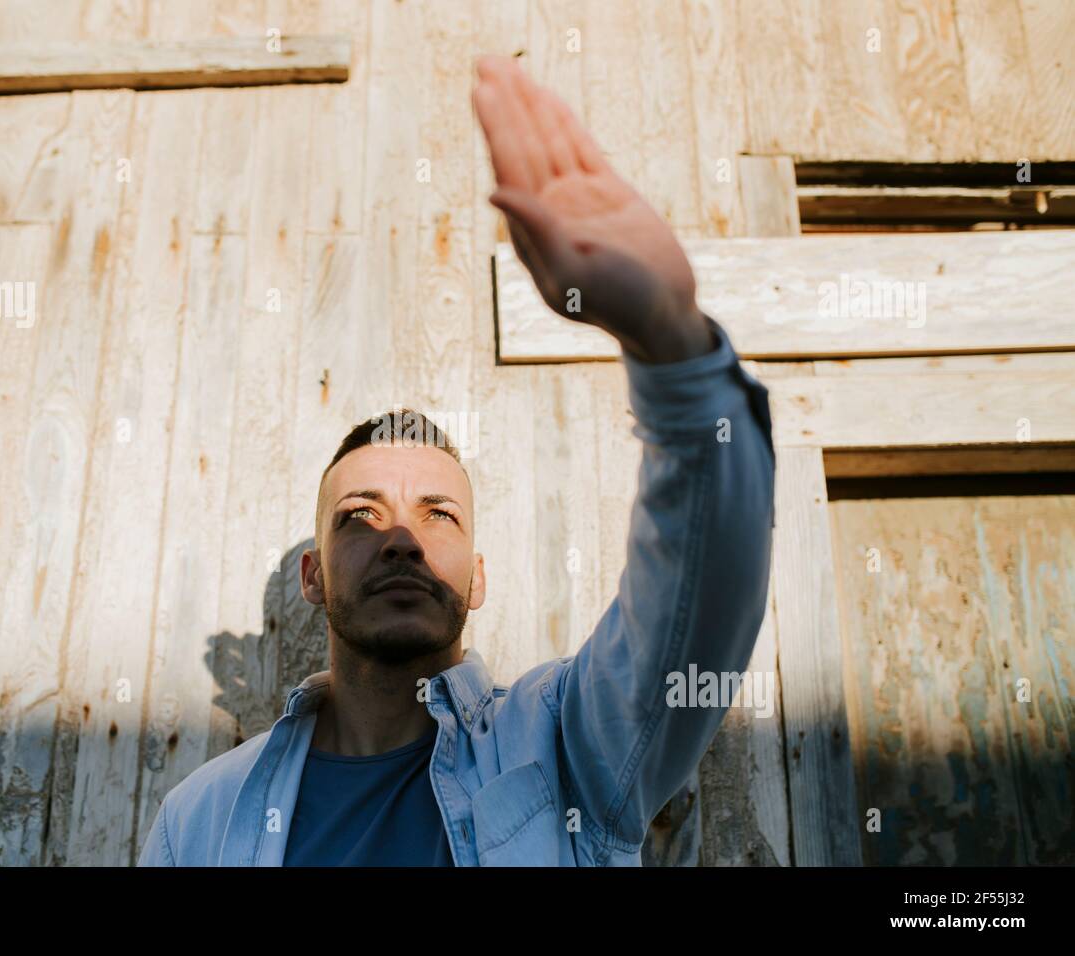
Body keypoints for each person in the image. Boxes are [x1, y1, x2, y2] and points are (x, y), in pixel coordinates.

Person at [138, 54, 775, 867]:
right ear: (313, 576)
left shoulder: (565, 749)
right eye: (360, 516)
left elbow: (699, 608)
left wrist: (669, 341)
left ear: (477, 577)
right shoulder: (202, 817)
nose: (400, 538)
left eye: (436, 513)